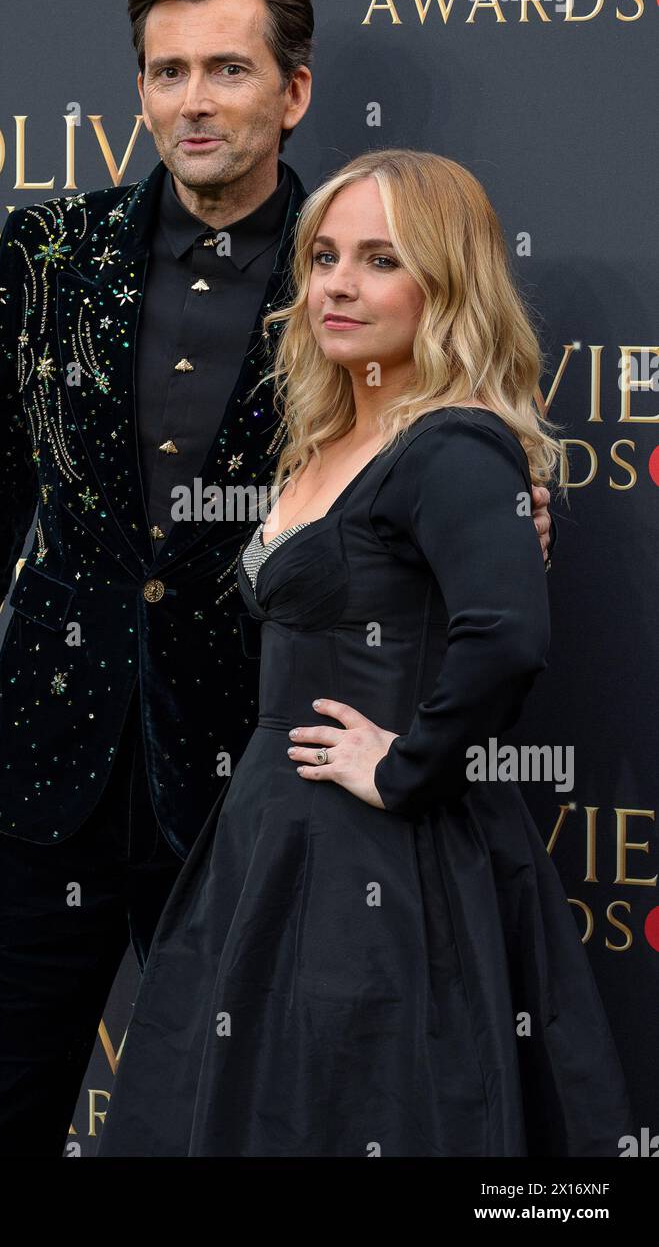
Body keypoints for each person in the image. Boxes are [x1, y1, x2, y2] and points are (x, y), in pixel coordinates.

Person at [0, 0, 554, 1157]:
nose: (195, 101)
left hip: (252, 786)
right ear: (140, 87)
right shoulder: (48, 252)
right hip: (49, 770)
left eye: (228, 70)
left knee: (228, 1128)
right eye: (168, 70)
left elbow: (420, 455)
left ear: (292, 92)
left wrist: (506, 513)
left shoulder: (345, 264)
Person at [95, 148, 634, 1158]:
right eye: (326, 257)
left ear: (448, 283)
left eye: (381, 260)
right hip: (271, 836)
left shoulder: (453, 442)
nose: (338, 285)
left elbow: (507, 635)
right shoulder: (326, 435)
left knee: (359, 1106)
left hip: (382, 861)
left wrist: (402, 765)